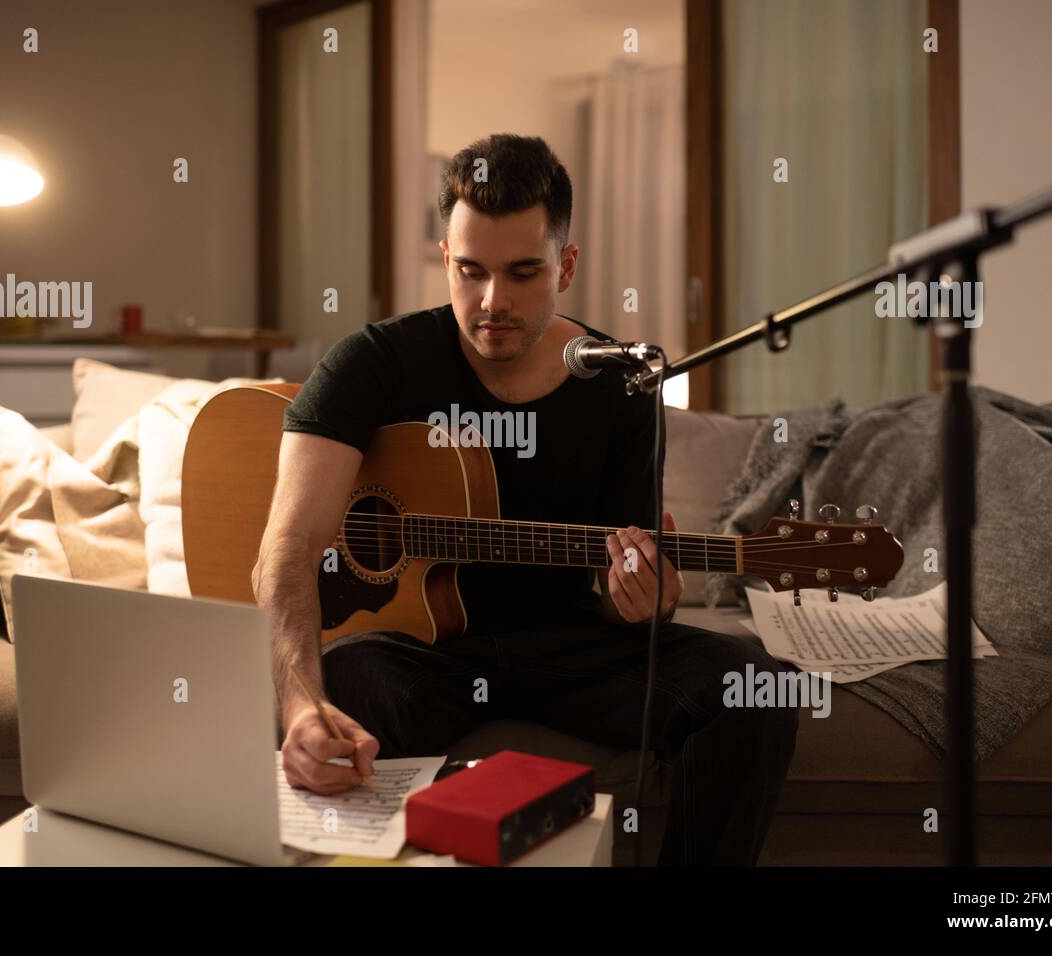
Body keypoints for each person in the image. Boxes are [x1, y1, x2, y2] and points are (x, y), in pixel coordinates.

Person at [252, 133, 798, 865]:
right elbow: (285, 554)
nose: (492, 303)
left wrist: (644, 597)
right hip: (421, 652)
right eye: (470, 271)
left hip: (574, 646)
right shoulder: (371, 366)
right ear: (444, 257)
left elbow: (621, 580)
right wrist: (301, 706)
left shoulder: (620, 382)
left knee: (758, 688)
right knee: (345, 685)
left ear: (566, 265)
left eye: (522, 274)